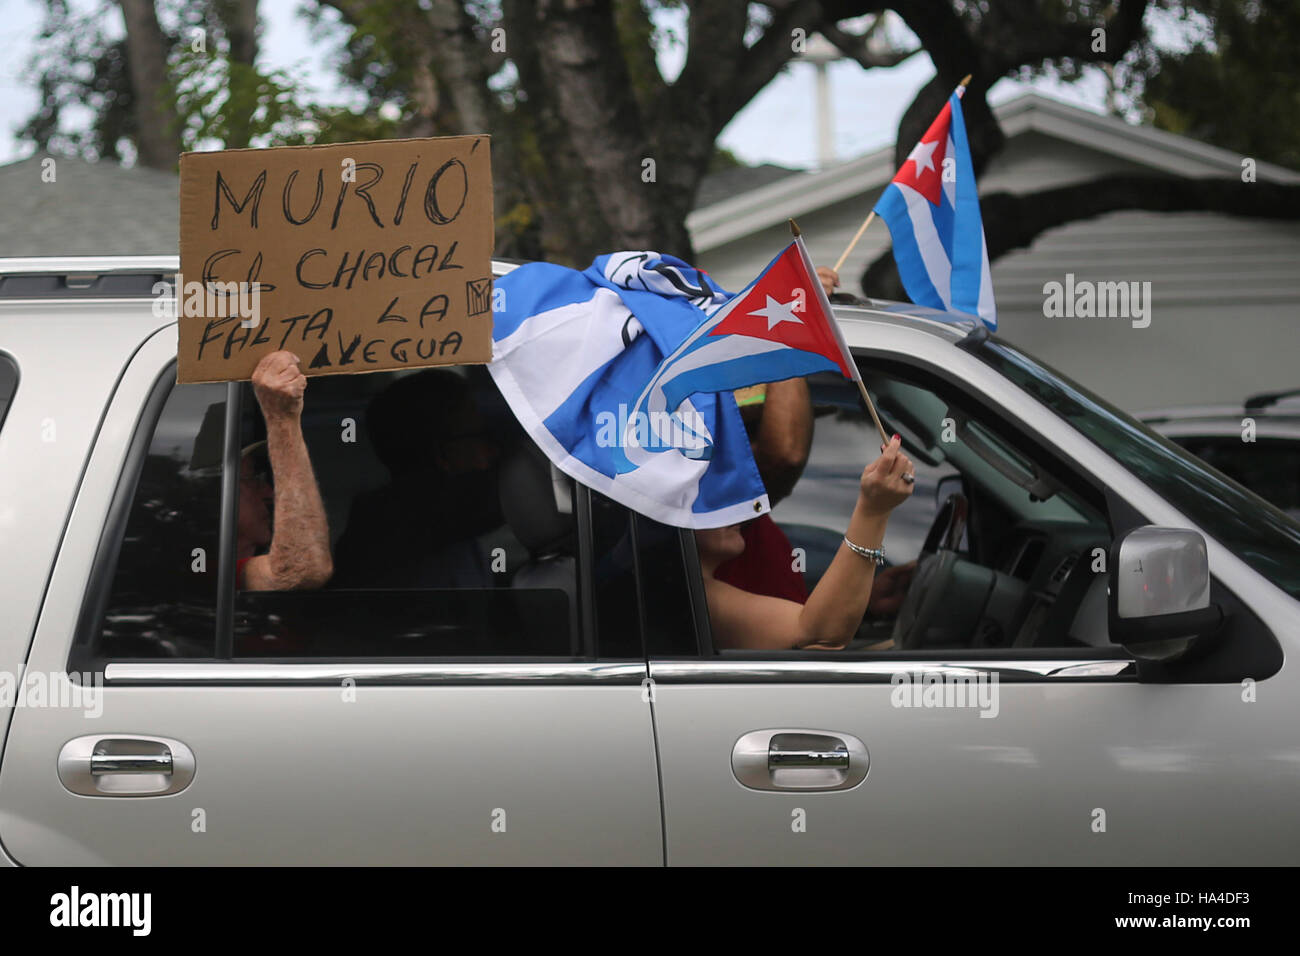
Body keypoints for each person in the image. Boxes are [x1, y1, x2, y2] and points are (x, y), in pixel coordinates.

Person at [698, 434, 915, 650]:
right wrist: (873, 512)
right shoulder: (693, 596)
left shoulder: (699, 586)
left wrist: (865, 605)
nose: (739, 498)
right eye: (713, 486)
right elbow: (818, 638)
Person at [236, 350, 333, 591]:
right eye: (252, 480)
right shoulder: (208, 571)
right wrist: (282, 419)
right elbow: (301, 572)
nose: (268, 493)